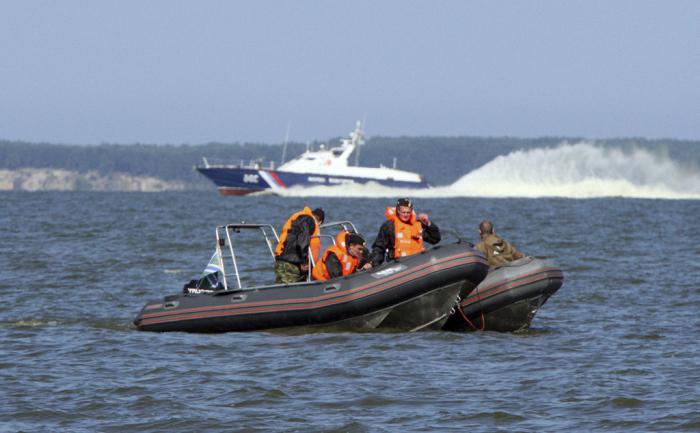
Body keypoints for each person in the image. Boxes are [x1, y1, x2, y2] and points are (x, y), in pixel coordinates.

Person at [369, 197, 441, 267]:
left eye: (408, 212)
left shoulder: (417, 225)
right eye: (403, 212)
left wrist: (428, 224)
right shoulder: (389, 226)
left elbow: (434, 239)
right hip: (398, 264)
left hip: (418, 262)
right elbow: (379, 247)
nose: (406, 215)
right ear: (398, 211)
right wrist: (373, 264)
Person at [274, 207, 325, 284]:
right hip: (289, 264)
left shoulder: (302, 219)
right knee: (287, 291)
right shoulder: (308, 220)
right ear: (320, 222)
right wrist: (305, 261)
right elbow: (303, 240)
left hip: (288, 261)